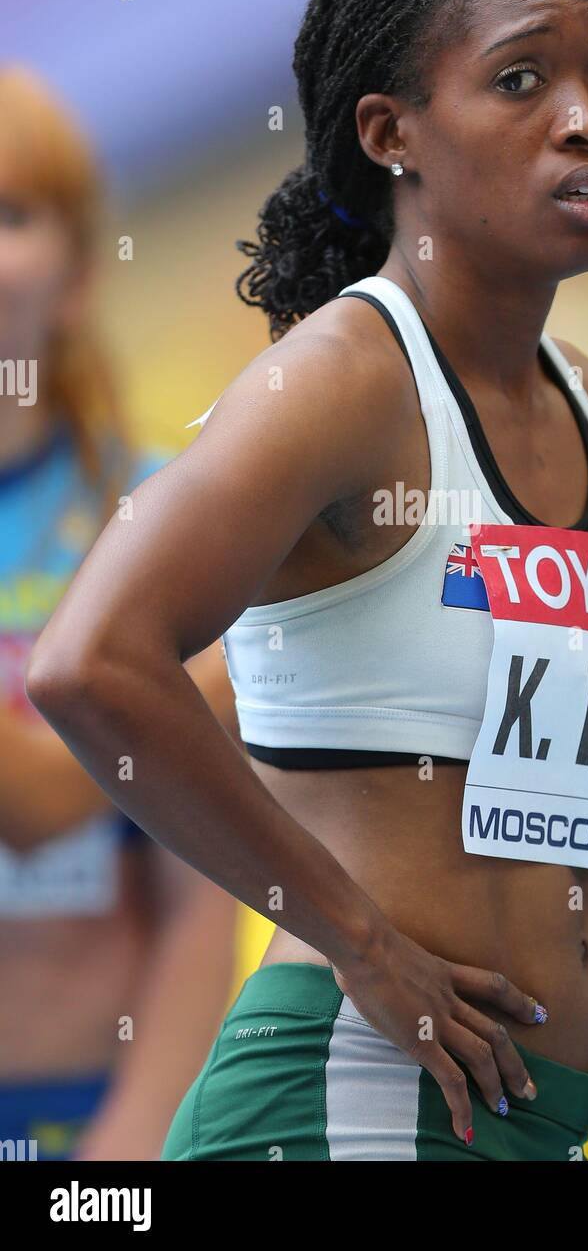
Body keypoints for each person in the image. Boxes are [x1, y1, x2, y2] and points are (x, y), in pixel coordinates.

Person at [27, 0, 588, 1162]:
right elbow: (88, 665)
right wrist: (357, 939)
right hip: (350, 1090)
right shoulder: (342, 380)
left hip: (526, 1103)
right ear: (392, 134)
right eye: (523, 79)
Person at [0, 65, 241, 1160]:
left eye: (8, 214)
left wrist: (136, 1142)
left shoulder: (157, 522)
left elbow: (204, 901)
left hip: (95, 1108)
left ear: (82, 271)